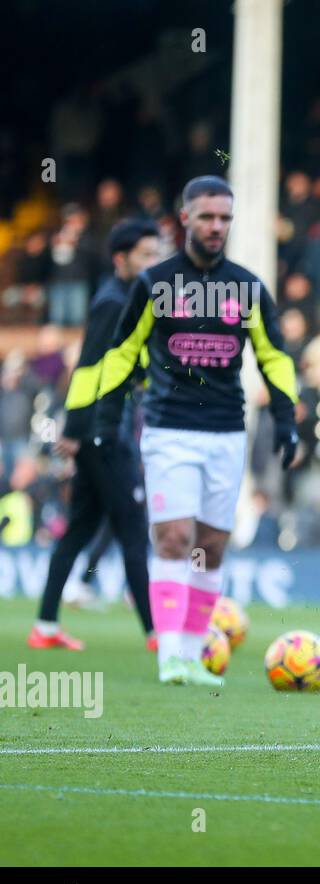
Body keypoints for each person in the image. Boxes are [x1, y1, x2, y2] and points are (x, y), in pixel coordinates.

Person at [85, 176, 303, 686]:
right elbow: (121, 355)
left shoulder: (248, 286)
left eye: (224, 218)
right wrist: (103, 417)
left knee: (211, 546)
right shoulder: (154, 283)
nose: (216, 226)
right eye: (206, 216)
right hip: (168, 430)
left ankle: (191, 651)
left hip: (227, 431)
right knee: (173, 539)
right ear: (184, 218)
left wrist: (288, 420)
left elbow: (274, 356)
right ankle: (171, 659)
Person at [29, 220, 161, 651]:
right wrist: (76, 429)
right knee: (132, 529)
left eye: (157, 254)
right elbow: (88, 367)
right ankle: (156, 634)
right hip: (104, 434)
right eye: (146, 255)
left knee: (82, 527)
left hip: (103, 430)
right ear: (121, 259)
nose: (154, 262)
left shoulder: (130, 297)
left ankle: (45, 626)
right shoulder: (114, 302)